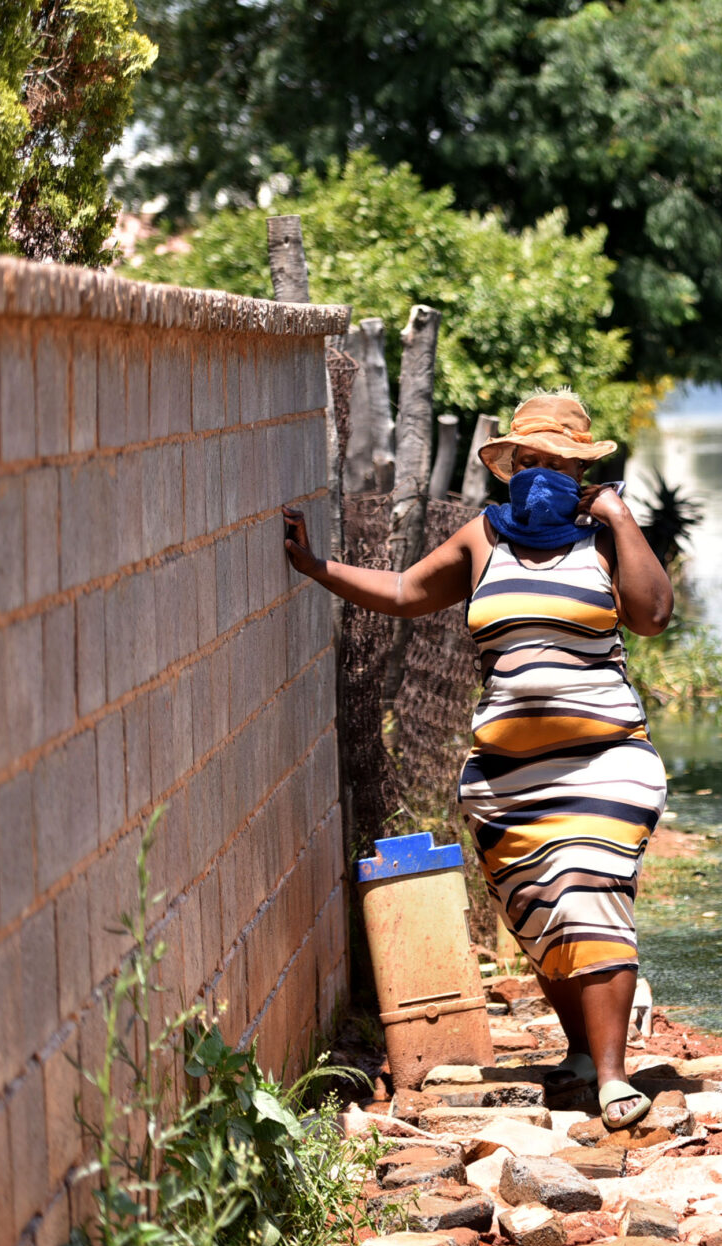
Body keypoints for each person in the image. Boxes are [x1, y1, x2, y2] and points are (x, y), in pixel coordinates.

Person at [283, 392, 669, 1129]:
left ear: (584, 474)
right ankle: (581, 1053)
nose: (542, 472)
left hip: (605, 761)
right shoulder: (482, 538)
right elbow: (405, 591)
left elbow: (652, 615)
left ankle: (614, 1077)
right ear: (511, 466)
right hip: (505, 780)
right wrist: (315, 566)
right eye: (530, 460)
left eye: (559, 463)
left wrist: (620, 518)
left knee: (589, 890)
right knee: (538, 913)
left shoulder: (603, 540)